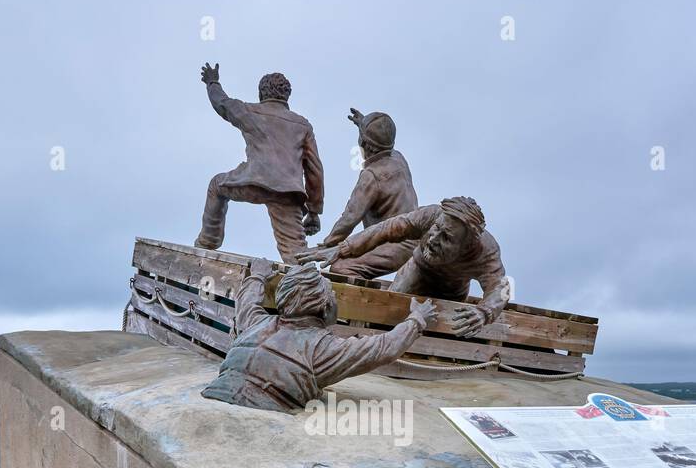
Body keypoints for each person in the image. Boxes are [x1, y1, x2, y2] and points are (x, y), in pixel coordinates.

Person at [201, 259, 436, 412]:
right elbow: (384, 347)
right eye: (332, 294)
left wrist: (258, 275)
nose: (334, 299)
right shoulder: (322, 349)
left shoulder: (256, 322)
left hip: (216, 390)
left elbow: (247, 300)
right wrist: (417, 318)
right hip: (268, 408)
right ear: (324, 305)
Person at [300, 196, 509, 338]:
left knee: (439, 333)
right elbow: (387, 229)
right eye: (436, 229)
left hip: (451, 291)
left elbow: (500, 287)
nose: (433, 239)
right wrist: (343, 248)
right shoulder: (431, 214)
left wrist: (484, 312)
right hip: (418, 270)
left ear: (466, 245)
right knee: (386, 313)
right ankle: (372, 347)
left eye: (446, 237)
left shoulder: (485, 251)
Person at [194, 63, 325, 262]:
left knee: (216, 185)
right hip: (287, 193)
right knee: (296, 255)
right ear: (287, 96)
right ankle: (305, 275)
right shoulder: (303, 125)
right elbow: (315, 170)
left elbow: (222, 103)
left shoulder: (249, 111)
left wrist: (212, 82)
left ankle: (208, 241)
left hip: (252, 182)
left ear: (261, 93)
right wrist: (314, 211)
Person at [311, 109, 418, 279]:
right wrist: (364, 125)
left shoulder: (371, 176)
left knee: (340, 268)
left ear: (365, 144)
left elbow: (350, 218)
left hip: (396, 244)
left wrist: (327, 245)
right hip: (413, 238)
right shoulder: (398, 157)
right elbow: (384, 141)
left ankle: (369, 295)